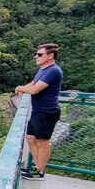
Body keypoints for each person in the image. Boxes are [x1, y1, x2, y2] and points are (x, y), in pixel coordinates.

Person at [14, 43, 63, 181]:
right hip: (38, 111)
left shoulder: (54, 71)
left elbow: (35, 90)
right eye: (36, 54)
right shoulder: (43, 69)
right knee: (30, 138)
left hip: (47, 112)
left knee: (43, 142)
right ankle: (36, 168)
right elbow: (33, 83)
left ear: (50, 56)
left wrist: (20, 87)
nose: (36, 56)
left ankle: (39, 173)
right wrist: (23, 88)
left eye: (40, 54)